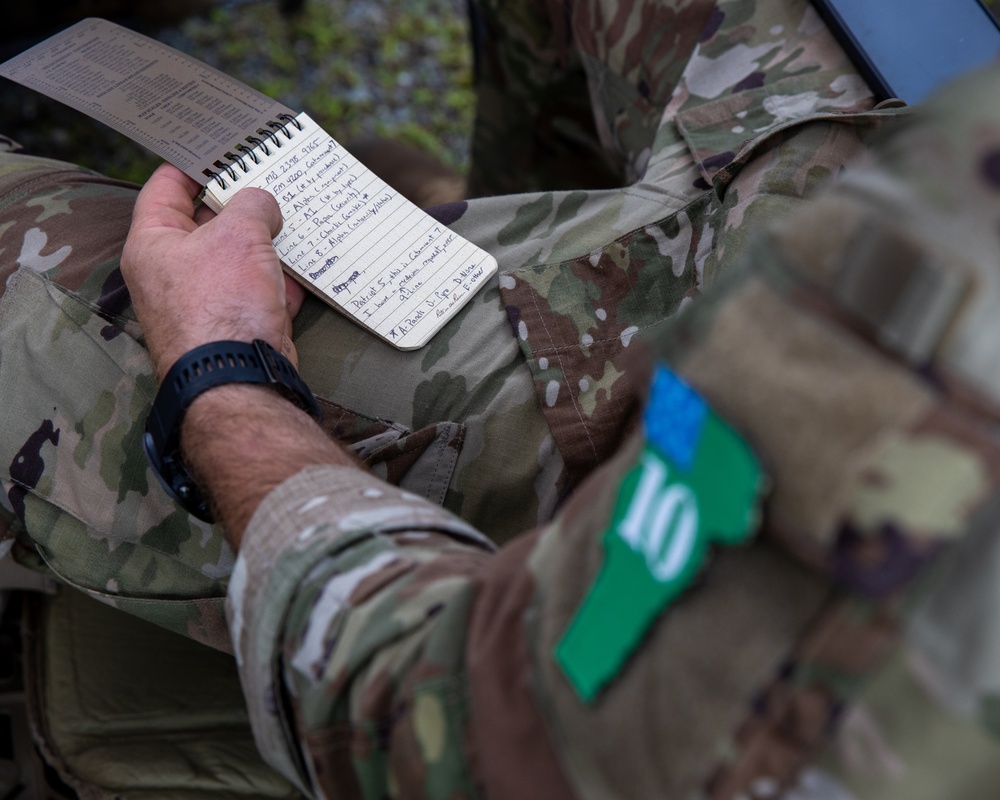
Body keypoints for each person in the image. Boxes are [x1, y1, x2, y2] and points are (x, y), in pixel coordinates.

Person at [3, 0, 1000, 796]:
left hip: (801, 400)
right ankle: (497, 233)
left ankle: (502, 352)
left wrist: (222, 371)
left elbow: (480, 728)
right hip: (909, 177)